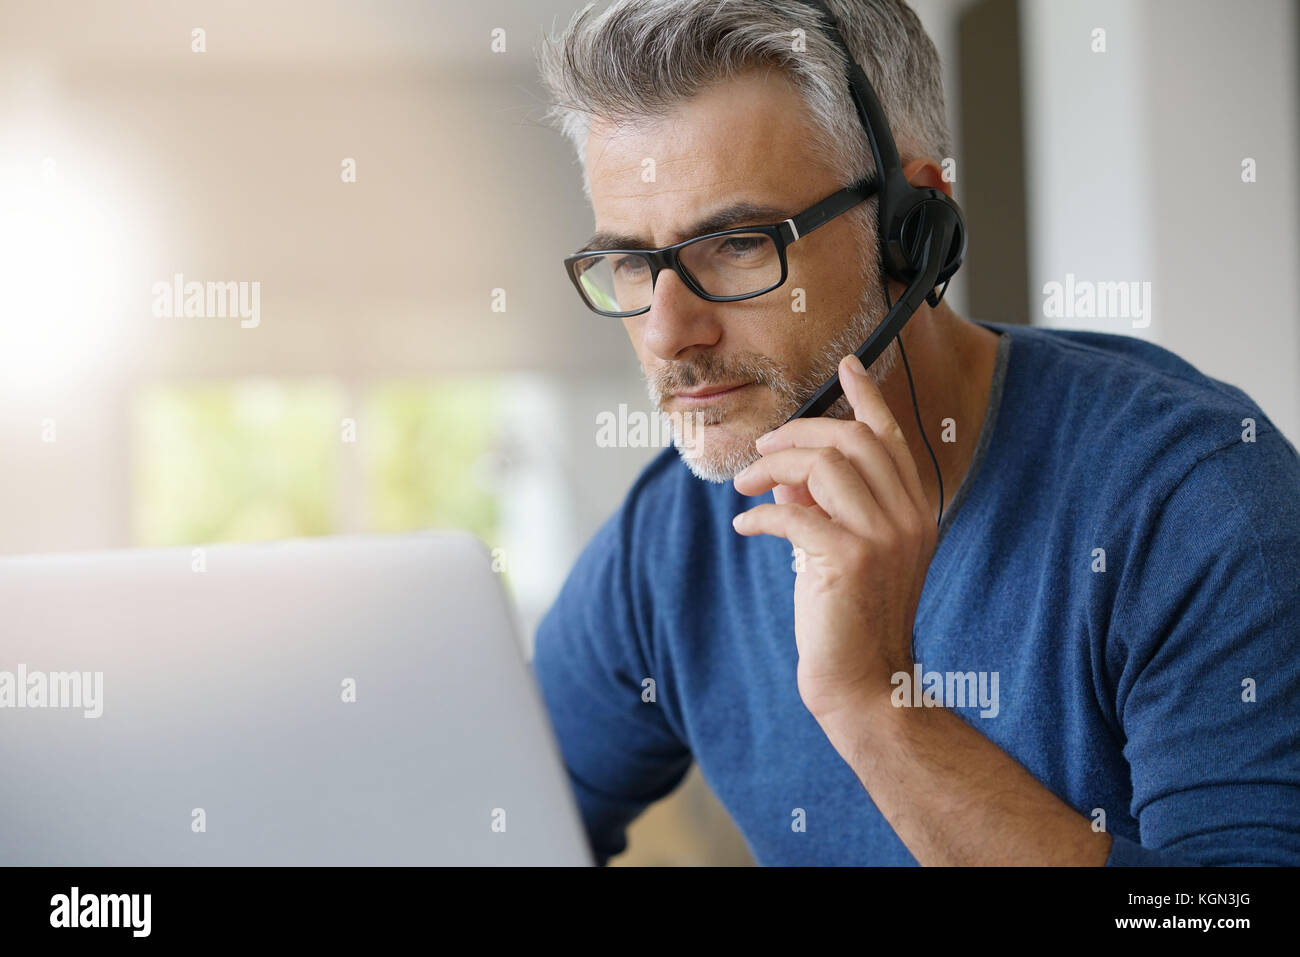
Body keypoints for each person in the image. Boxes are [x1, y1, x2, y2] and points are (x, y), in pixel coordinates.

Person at [531, 0, 1300, 865]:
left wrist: (873, 703)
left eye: (738, 246)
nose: (670, 333)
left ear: (913, 227)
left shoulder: (1197, 498)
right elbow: (495, 818)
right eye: (632, 262)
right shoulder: (671, 541)